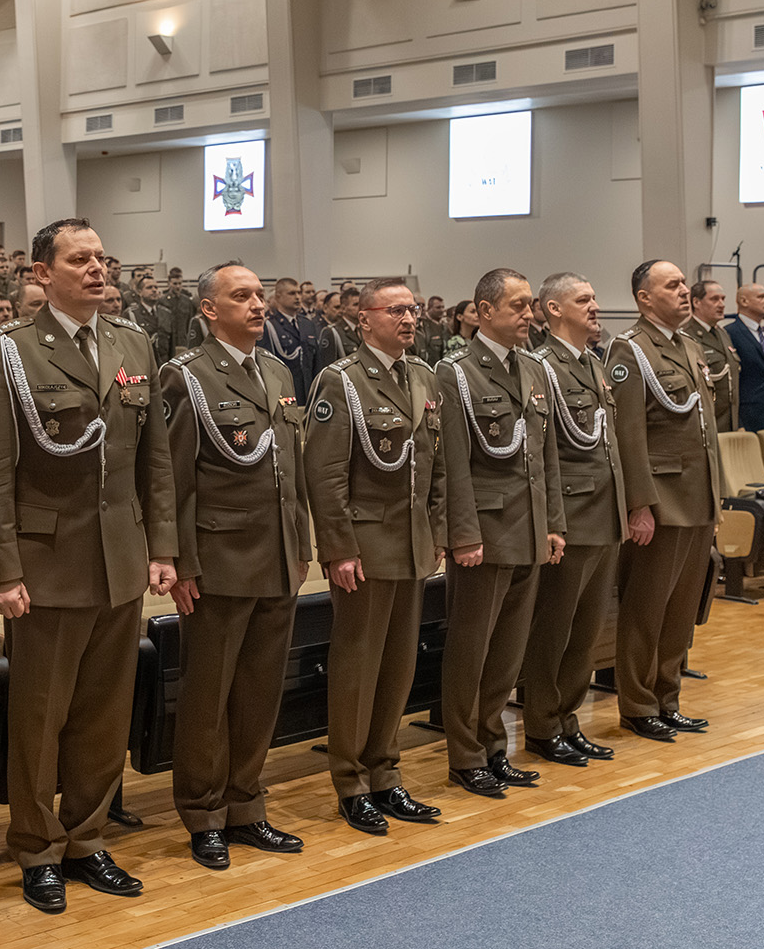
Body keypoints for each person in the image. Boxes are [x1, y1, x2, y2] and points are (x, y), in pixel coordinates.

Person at [0, 218, 175, 914]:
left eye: (101, 258)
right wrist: (3, 569)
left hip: (120, 556)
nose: (96, 269)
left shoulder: (132, 342)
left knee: (103, 713)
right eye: (79, 259)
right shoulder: (9, 351)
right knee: (40, 714)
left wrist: (163, 546)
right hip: (48, 560)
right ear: (41, 273)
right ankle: (36, 844)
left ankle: (86, 838)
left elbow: (154, 460)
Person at [158, 263, 310, 870]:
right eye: (240, 296)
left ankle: (247, 803)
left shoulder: (275, 370)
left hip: (276, 556)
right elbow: (174, 477)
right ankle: (203, 813)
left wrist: (299, 547)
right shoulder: (187, 376)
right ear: (208, 311)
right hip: (218, 557)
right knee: (208, 695)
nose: (257, 305)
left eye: (260, 294)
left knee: (259, 692)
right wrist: (182, 561)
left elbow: (288, 471)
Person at [305, 277, 445, 835]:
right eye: (396, 311)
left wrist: (435, 533)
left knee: (398, 666)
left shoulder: (424, 377)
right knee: (357, 669)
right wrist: (338, 547)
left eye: (413, 310)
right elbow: (326, 472)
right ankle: (351, 781)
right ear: (364, 320)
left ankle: (386, 772)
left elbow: (434, 464)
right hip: (364, 547)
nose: (409, 319)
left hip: (411, 545)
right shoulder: (340, 381)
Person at [436, 268, 564, 798]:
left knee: (508, 651)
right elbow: (454, 462)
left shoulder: (533, 369)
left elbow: (546, 456)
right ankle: (464, 754)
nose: (529, 315)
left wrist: (554, 523)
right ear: (484, 311)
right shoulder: (455, 373)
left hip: (529, 529)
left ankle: (493, 744)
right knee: (471, 650)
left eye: (531, 305)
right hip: (485, 533)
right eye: (518, 306)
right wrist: (462, 533)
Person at [607, 260, 722, 742]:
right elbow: (627, 435)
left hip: (697, 496)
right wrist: (638, 505)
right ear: (643, 297)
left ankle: (667, 695)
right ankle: (637, 703)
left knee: (680, 608)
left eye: (682, 285)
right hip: (662, 499)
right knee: (646, 607)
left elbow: (706, 432)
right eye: (671, 285)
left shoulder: (690, 346)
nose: (682, 292)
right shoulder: (629, 350)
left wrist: (718, 498)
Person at [525, 272, 625, 766]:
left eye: (594, 297)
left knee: (586, 632)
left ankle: (569, 718)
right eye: (583, 299)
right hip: (572, 513)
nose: (595, 306)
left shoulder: (592, 362)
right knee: (555, 630)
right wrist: (551, 521)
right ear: (552, 310)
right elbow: (543, 455)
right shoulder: (541, 366)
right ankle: (543, 725)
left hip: (603, 513)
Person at [681, 279, 738, 434]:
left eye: (723, 299)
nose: (721, 304)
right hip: (707, 426)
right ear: (696, 302)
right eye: (714, 299)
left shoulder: (723, 333)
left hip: (729, 424)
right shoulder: (687, 335)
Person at [726, 283, 764, 431]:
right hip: (747, 418)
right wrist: (738, 422)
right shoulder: (730, 334)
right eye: (761, 297)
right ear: (744, 302)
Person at [257, 277, 319, 401]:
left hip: (309, 394)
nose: (297, 297)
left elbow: (316, 364)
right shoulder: (269, 326)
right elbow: (266, 367)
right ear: (278, 296)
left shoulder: (307, 324)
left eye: (299, 293)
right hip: (285, 395)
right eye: (291, 293)